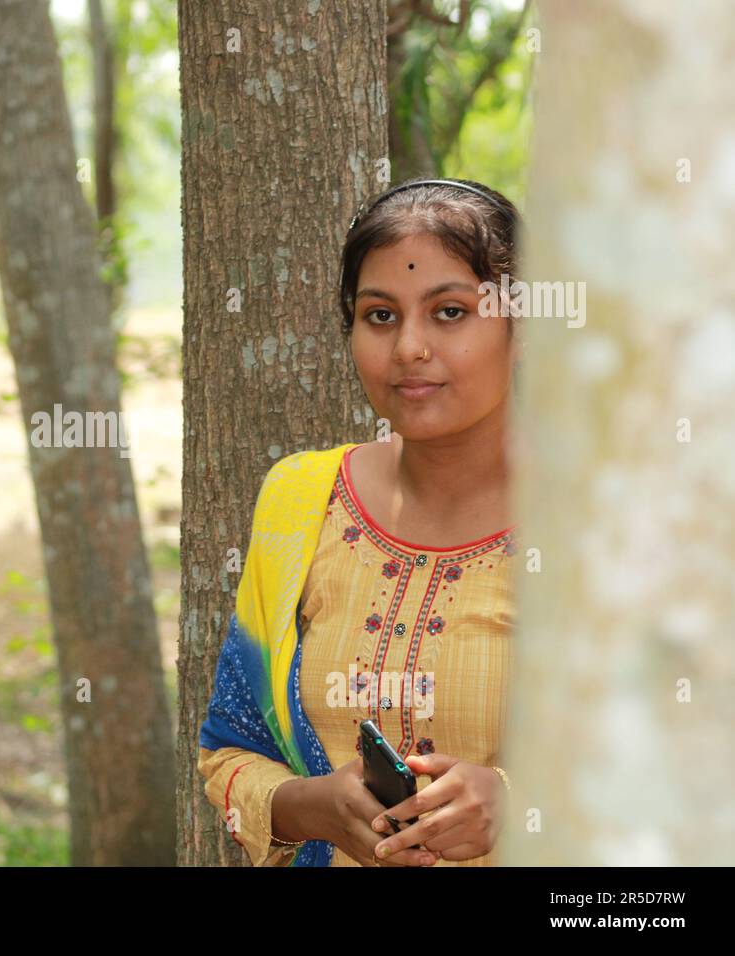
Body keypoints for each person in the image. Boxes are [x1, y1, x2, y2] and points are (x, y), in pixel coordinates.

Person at [197, 178, 521, 867]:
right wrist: (317, 808)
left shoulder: (602, 530)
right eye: (380, 316)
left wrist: (518, 808)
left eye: (451, 312)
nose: (409, 347)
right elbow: (229, 754)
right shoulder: (301, 499)